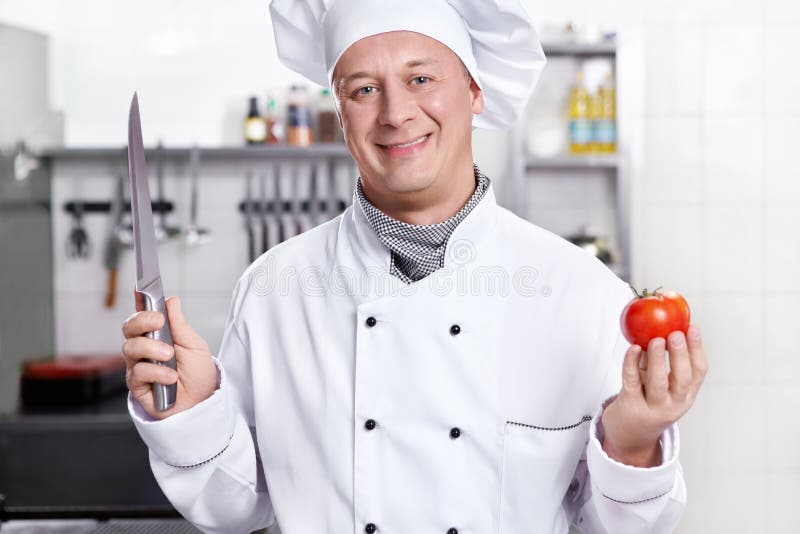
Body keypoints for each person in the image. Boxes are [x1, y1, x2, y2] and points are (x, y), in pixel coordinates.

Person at [122, 1, 708, 532]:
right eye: (363, 90)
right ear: (340, 111)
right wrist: (194, 413)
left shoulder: (583, 293)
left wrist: (632, 446)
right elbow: (234, 510)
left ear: (474, 90)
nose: (396, 114)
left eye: (421, 78)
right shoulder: (274, 290)